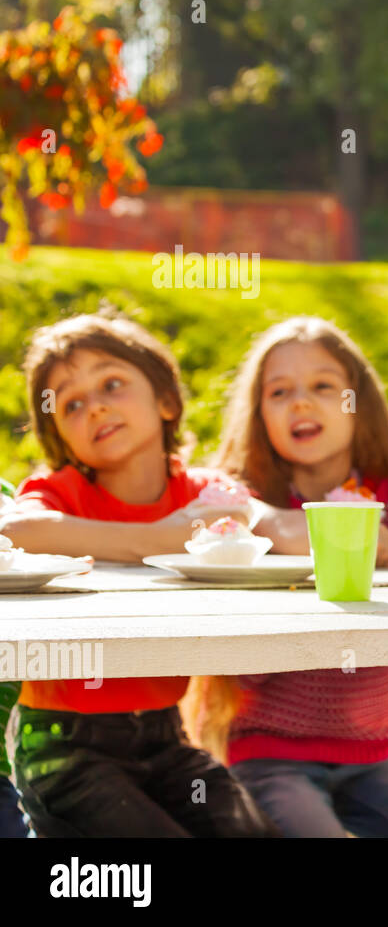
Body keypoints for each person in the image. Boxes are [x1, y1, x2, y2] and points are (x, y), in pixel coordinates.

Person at [196, 316, 388, 837]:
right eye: (279, 392)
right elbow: (242, 663)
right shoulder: (238, 510)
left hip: (377, 753)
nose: (301, 403)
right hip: (270, 752)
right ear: (259, 414)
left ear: (360, 405)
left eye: (323, 387)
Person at [0, 313, 276, 836]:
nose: (95, 405)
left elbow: (245, 516)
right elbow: (14, 530)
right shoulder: (59, 493)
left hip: (164, 737)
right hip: (63, 744)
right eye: (71, 403)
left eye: (111, 384)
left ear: (166, 401)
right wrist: (150, 539)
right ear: (58, 433)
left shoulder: (198, 489)